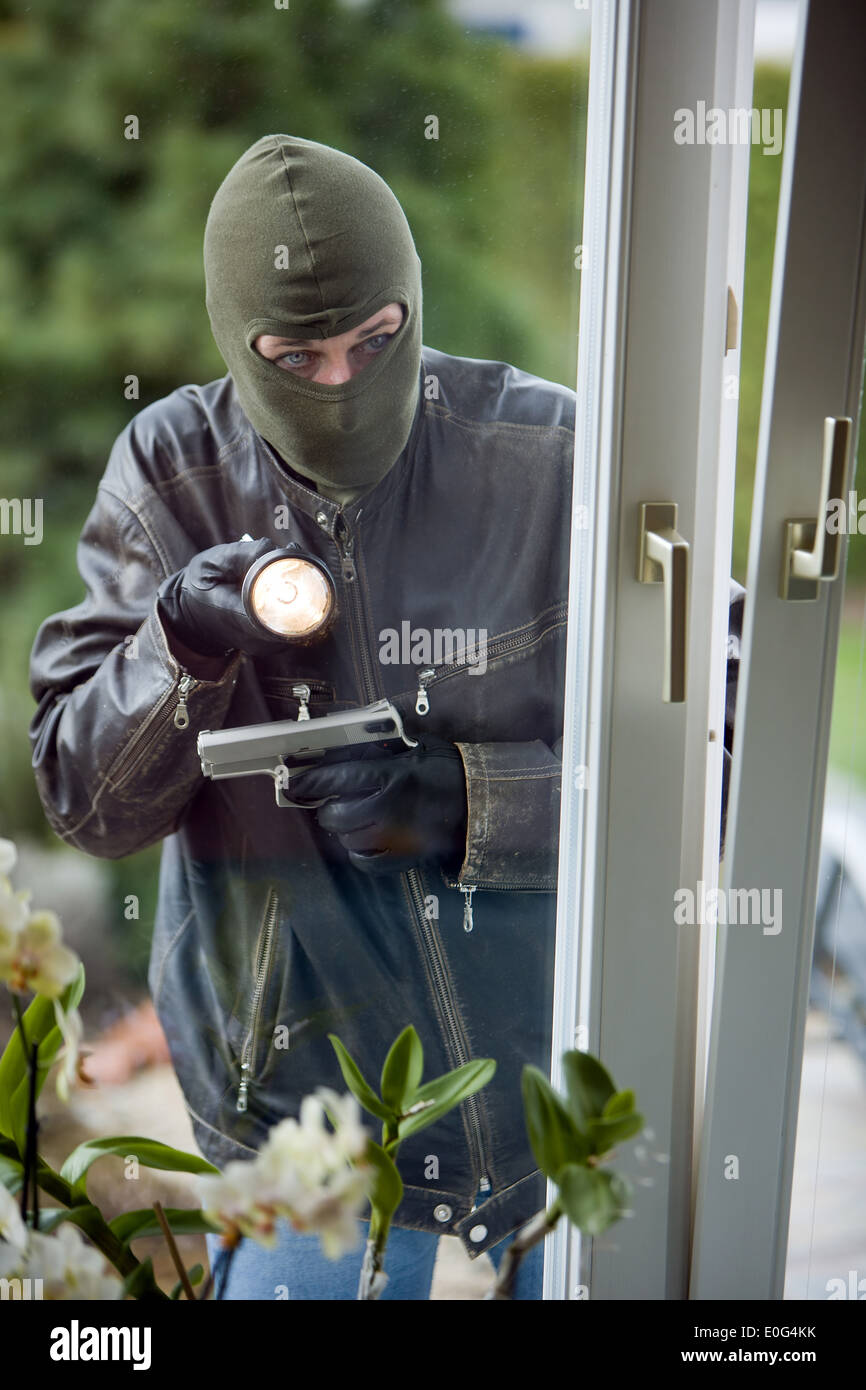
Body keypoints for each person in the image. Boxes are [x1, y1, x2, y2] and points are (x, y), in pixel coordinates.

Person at [28, 134, 740, 1300]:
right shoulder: (168, 476)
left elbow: (721, 768)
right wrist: (183, 644)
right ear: (231, 340)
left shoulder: (551, 458)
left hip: (554, 1082)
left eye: (374, 340)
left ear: (414, 299)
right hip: (298, 1120)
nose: (340, 383)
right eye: (292, 358)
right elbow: (85, 800)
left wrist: (475, 801)